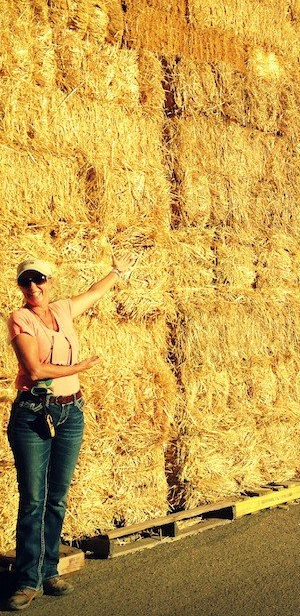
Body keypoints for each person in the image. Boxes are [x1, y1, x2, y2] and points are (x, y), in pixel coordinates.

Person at [5, 253, 134, 611]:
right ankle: (27, 580)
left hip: (71, 412)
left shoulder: (61, 309)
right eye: (26, 282)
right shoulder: (20, 318)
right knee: (34, 498)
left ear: (49, 281)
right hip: (33, 413)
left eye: (39, 280)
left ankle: (49, 571)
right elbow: (33, 370)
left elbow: (93, 293)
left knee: (58, 496)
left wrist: (117, 271)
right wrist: (82, 366)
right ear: (20, 287)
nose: (33, 287)